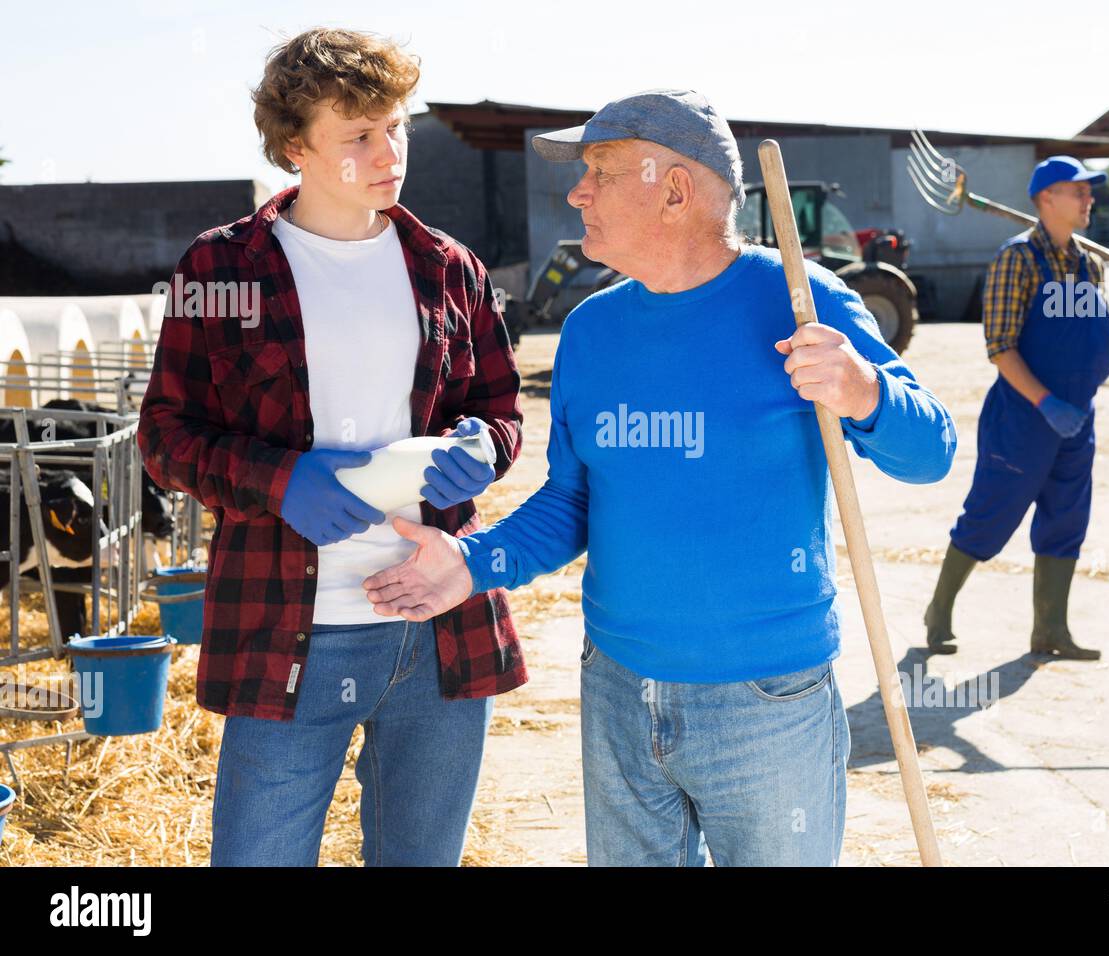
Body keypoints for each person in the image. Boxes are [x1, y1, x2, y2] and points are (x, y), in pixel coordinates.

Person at [359, 89, 957, 866]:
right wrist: (474, 563)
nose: (577, 192)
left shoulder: (801, 300)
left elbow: (932, 451)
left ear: (675, 189)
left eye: (600, 171)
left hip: (767, 700)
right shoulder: (591, 330)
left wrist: (864, 392)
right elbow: (573, 501)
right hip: (617, 689)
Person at [136, 27, 527, 866]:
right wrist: (279, 482)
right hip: (288, 627)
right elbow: (165, 437)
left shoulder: (449, 268)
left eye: (397, 127)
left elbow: (500, 408)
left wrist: (481, 448)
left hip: (438, 620)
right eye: (358, 135)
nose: (389, 152)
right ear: (294, 148)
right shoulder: (221, 266)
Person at [922, 156, 1109, 660]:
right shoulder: (1018, 260)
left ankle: (1051, 631)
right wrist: (1045, 401)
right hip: (1023, 417)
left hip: (1077, 418)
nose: (1089, 199)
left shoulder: (1088, 265)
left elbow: (1103, 342)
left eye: (1090, 192)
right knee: (990, 515)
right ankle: (939, 611)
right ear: (1047, 198)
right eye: (1079, 191)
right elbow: (1000, 347)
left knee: (1066, 520)